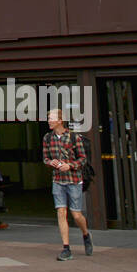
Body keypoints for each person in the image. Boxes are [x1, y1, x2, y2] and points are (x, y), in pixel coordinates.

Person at [42, 108, 92, 260]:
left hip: (74, 179)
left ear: (60, 120)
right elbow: (45, 158)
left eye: (51, 118)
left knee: (76, 214)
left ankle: (85, 233)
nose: (49, 120)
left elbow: (83, 159)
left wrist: (70, 165)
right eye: (48, 117)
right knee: (61, 212)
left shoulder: (73, 137)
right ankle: (66, 247)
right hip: (57, 180)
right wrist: (51, 162)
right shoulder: (47, 138)